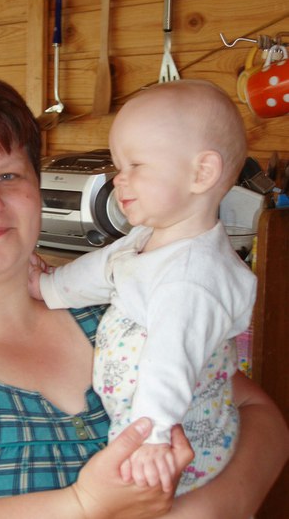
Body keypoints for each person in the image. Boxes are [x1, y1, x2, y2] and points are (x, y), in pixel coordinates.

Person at [0, 76, 287, 519]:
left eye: (8, 175)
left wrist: (206, 509)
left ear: (37, 190)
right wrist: (80, 507)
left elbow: (257, 413)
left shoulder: (118, 301)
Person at [29, 80, 258, 495]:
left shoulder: (192, 278)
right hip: (141, 424)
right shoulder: (149, 239)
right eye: (119, 166)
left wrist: (153, 437)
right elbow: (105, 269)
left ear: (201, 173)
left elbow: (170, 360)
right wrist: (49, 287)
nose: (119, 179)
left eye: (136, 165)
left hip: (176, 443)